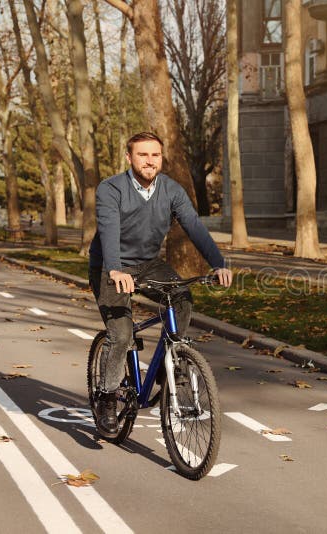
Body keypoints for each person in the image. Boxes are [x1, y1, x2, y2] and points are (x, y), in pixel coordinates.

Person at [88, 131, 232, 434]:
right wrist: (115, 270)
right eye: (142, 154)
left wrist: (218, 263)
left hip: (150, 264)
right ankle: (108, 399)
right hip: (111, 267)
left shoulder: (171, 190)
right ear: (129, 157)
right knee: (123, 334)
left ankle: (173, 359)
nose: (150, 161)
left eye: (155, 155)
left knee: (182, 298)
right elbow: (109, 229)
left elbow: (194, 226)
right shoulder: (110, 188)